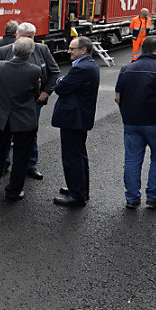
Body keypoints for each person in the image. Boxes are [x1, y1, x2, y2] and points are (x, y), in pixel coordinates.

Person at [114, 36, 156, 209]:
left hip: (131, 122)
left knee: (132, 160)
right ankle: (154, 197)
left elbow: (118, 97)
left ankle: (132, 199)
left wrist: (128, 113)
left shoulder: (127, 68)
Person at [0, 22, 60, 180]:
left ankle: (30, 165)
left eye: (30, 37)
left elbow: (54, 71)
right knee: (4, 136)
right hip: (7, 104)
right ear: (16, 35)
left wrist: (46, 92)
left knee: (31, 135)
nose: (26, 40)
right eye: (23, 36)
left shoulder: (42, 50)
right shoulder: (3, 50)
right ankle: (3, 164)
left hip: (32, 103)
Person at [0, 37, 43, 201]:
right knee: (21, 155)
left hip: (2, 117)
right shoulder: (34, 70)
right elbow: (36, 93)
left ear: (13, 50)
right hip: (24, 119)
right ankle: (13, 191)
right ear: (30, 53)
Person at [52, 36, 101, 207]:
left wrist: (61, 81)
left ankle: (77, 195)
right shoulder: (89, 65)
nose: (68, 51)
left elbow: (60, 88)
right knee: (79, 155)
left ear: (83, 50)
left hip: (73, 119)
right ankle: (80, 189)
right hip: (79, 118)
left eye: (72, 49)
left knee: (72, 157)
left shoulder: (81, 68)